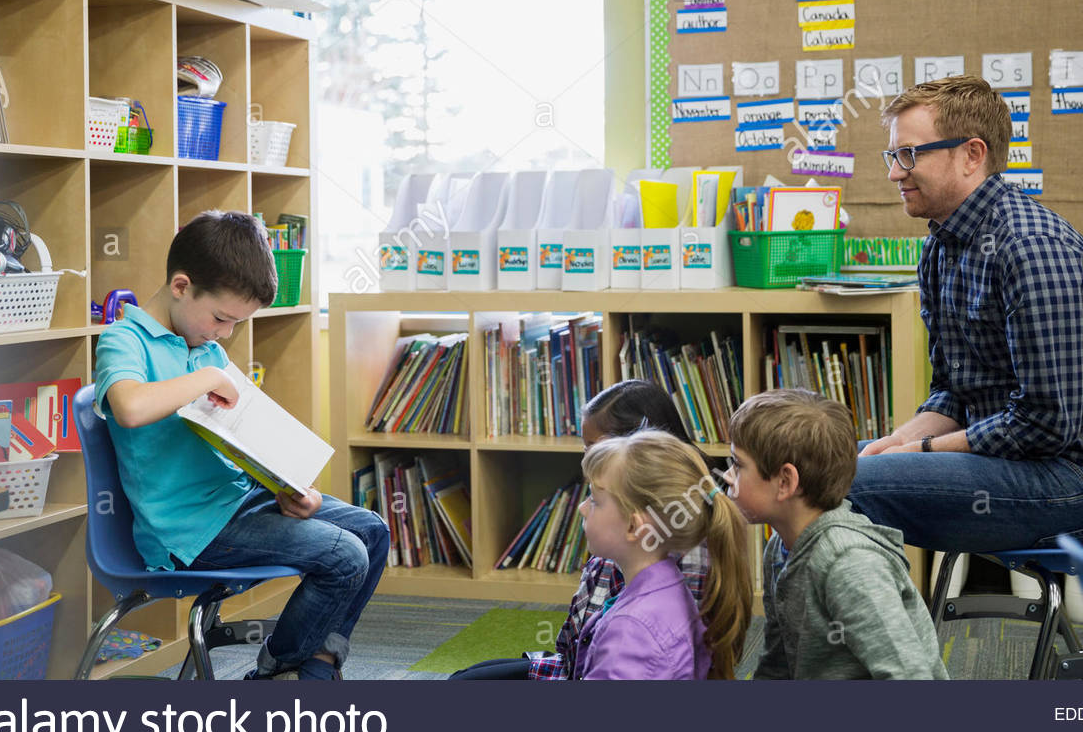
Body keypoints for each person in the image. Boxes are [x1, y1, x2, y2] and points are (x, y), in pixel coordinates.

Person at [851, 75, 1083, 554]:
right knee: (826, 476)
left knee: (843, 490)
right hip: (1023, 467)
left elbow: (1045, 423)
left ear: (972, 154)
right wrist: (891, 445)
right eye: (892, 156)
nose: (894, 173)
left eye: (909, 154)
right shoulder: (941, 246)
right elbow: (952, 391)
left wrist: (919, 453)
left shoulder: (1029, 248)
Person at [94, 210, 389, 680]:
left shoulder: (206, 345)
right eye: (221, 318)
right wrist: (209, 376)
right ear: (180, 286)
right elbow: (129, 407)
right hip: (189, 530)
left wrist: (289, 487)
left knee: (372, 531)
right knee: (344, 555)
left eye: (236, 323)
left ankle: (317, 660)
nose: (225, 333)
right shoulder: (123, 341)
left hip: (241, 502)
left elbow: (242, 438)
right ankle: (280, 671)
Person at [449, 380, 715, 680]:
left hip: (590, 665)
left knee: (464, 683)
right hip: (577, 661)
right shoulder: (630, 527)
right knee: (467, 676)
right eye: (584, 447)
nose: (582, 507)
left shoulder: (669, 552)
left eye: (595, 448)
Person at [727, 389, 947, 679]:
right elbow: (779, 661)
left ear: (785, 481)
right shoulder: (779, 547)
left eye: (737, 464)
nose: (727, 476)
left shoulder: (848, 563)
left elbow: (910, 674)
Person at [576, 429, 751, 679]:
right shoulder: (670, 590)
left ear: (634, 527)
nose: (582, 509)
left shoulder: (631, 636)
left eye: (594, 500)